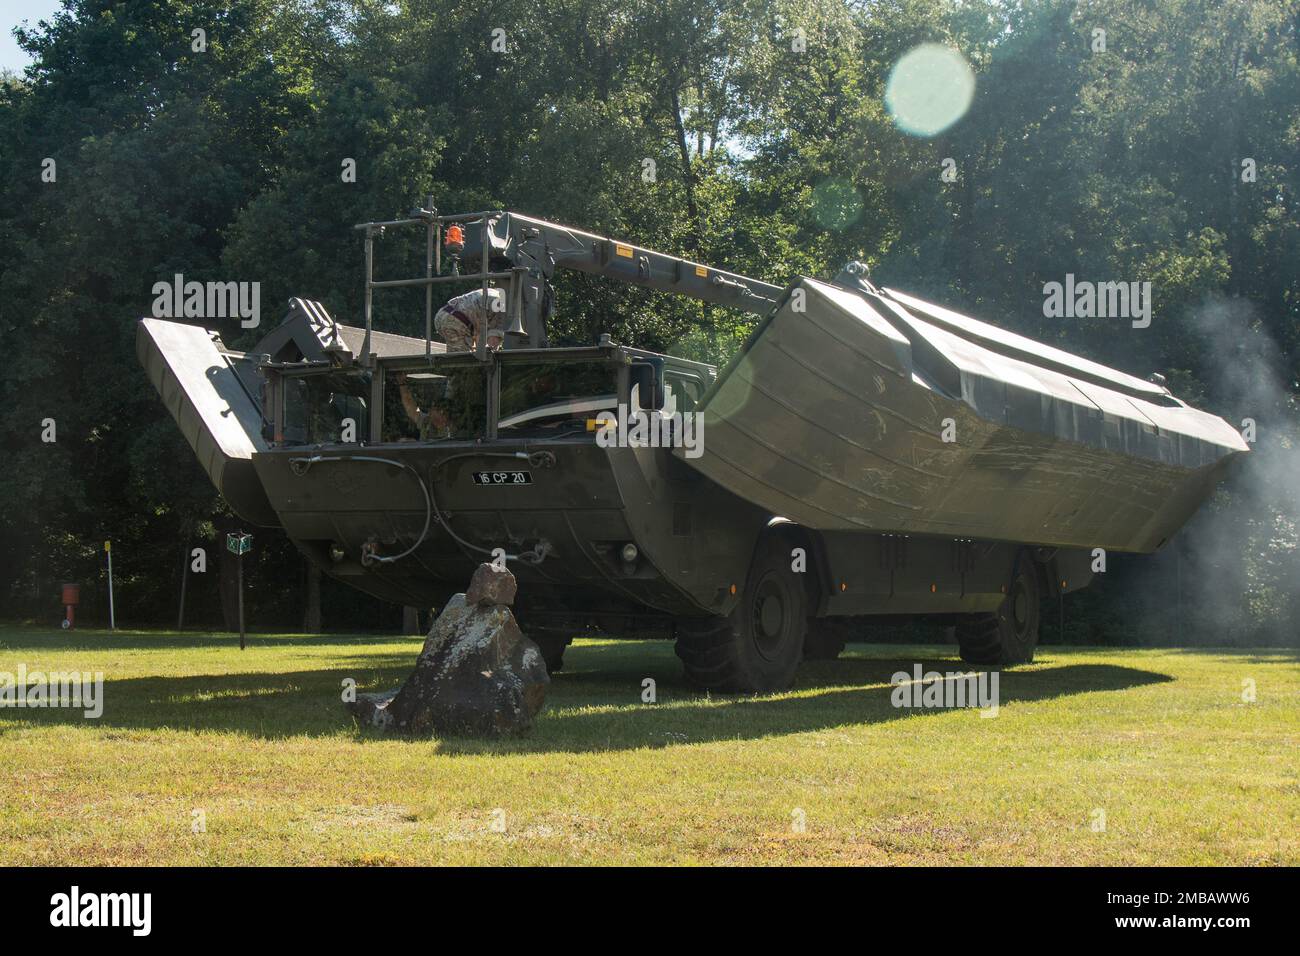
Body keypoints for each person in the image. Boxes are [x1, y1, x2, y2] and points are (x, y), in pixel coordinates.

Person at [435, 286, 508, 352]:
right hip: (457, 322)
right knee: (463, 360)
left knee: (458, 355)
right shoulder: (500, 307)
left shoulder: (493, 292)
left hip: (443, 314)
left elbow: (479, 335)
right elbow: (493, 343)